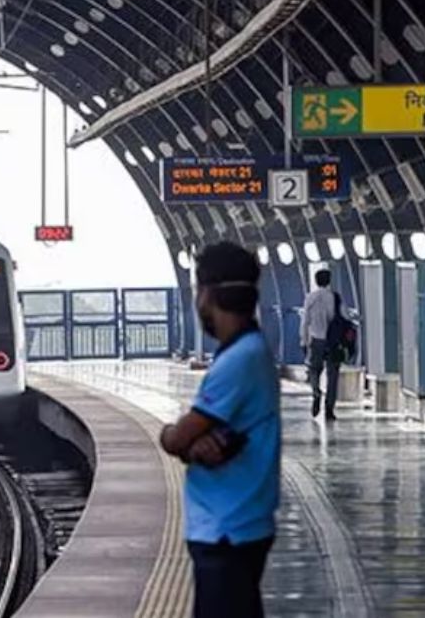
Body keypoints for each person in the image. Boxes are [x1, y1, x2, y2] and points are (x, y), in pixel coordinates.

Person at [159, 241, 281, 618]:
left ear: (207, 294)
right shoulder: (250, 350)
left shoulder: (239, 360)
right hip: (240, 522)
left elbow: (179, 437)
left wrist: (171, 436)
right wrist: (192, 443)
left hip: (227, 527)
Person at [301, 269, 338, 419]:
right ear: (329, 281)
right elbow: (343, 317)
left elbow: (305, 322)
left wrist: (303, 340)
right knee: (332, 374)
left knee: (314, 369)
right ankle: (329, 407)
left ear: (316, 281)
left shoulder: (310, 298)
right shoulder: (334, 298)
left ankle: (316, 391)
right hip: (332, 341)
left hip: (316, 339)